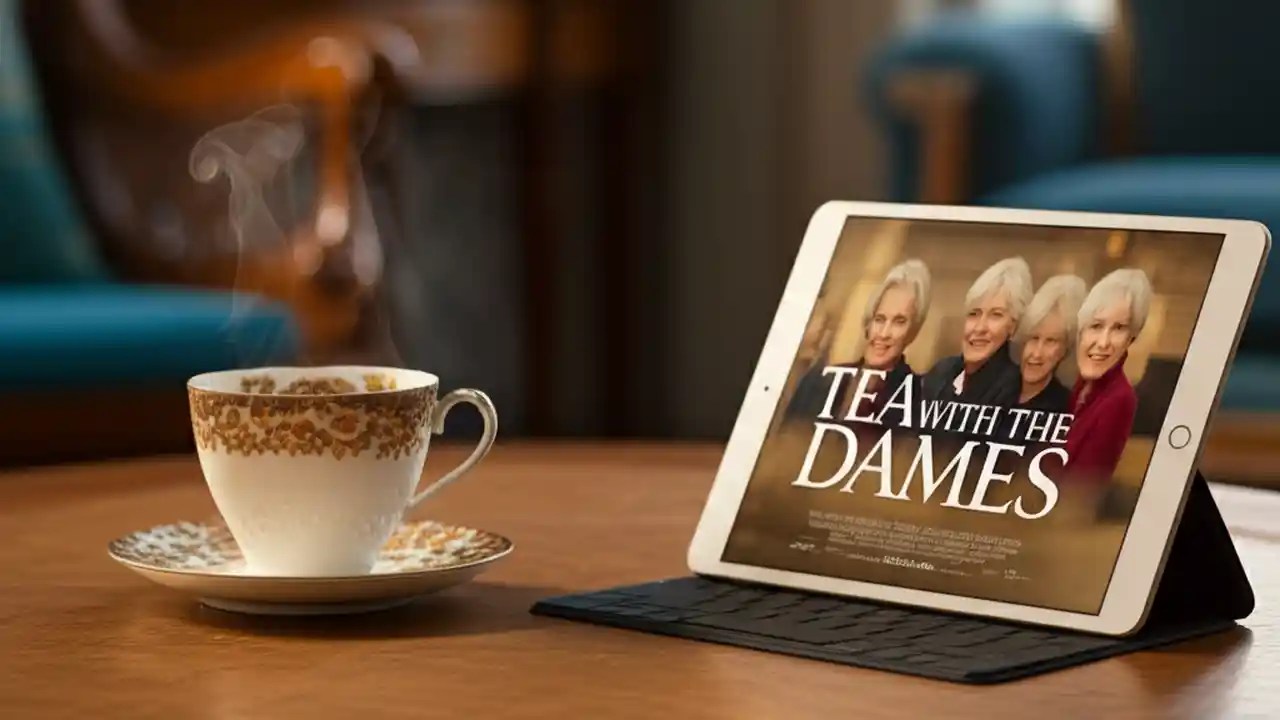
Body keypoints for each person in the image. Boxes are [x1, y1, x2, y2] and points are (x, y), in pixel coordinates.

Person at [785, 259, 931, 430]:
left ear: (913, 331)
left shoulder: (919, 403)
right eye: (879, 319)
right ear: (868, 323)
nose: (883, 334)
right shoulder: (818, 381)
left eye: (899, 322)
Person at [1062, 267, 1152, 484]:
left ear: (1131, 338)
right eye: (1096, 325)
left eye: (1119, 328)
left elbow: (1080, 492)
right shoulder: (1072, 385)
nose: (1103, 342)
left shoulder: (1119, 399)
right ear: (1081, 331)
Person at [921, 257, 1032, 409]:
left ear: (1013, 326)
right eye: (974, 313)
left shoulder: (1013, 389)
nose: (979, 328)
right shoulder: (941, 371)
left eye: (996, 315)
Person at [1014, 274, 1087, 414]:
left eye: (1051, 341)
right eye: (1034, 338)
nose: (1037, 353)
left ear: (1065, 349)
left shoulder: (1066, 409)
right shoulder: (994, 390)